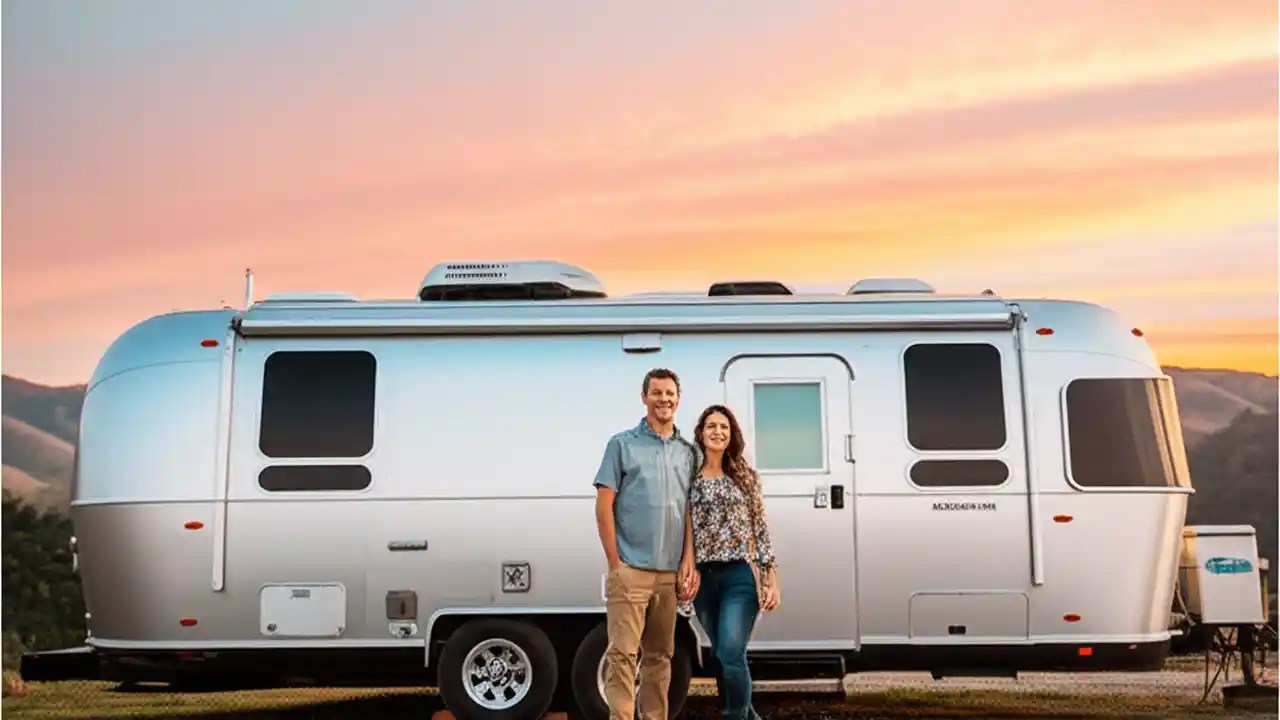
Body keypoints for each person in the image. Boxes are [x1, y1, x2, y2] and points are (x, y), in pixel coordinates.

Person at [593, 368, 700, 720]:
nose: (664, 399)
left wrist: (688, 560)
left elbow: (689, 509)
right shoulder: (621, 445)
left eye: (670, 393)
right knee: (622, 655)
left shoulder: (689, 452)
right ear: (644, 398)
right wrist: (615, 564)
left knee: (660, 657)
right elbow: (604, 505)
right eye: (657, 393)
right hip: (631, 571)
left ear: (678, 400)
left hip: (670, 575)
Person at [683, 404, 780, 720]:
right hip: (704, 579)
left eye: (724, 426)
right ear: (701, 433)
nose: (717, 431)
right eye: (711, 426)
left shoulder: (745, 477)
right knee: (725, 657)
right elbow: (683, 528)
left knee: (730, 651)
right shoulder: (689, 479)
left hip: (739, 575)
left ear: (731, 434)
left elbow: (760, 527)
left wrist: (770, 577)